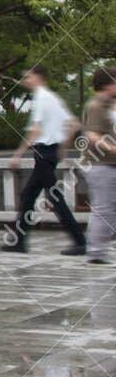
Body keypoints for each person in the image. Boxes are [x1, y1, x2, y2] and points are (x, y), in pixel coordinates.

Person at [3, 65, 86, 254]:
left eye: (28, 77)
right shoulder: (52, 98)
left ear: (38, 77)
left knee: (54, 198)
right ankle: (19, 241)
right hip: (49, 153)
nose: (26, 81)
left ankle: (80, 241)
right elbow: (73, 124)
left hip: (43, 153)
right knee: (29, 195)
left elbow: (36, 130)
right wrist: (62, 148)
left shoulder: (41, 98)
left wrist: (18, 154)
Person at [80, 68, 115, 266]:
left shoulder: (110, 105)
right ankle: (96, 254)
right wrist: (111, 148)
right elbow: (92, 135)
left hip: (111, 165)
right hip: (100, 165)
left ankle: (100, 248)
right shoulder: (96, 106)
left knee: (110, 210)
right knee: (104, 210)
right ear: (108, 84)